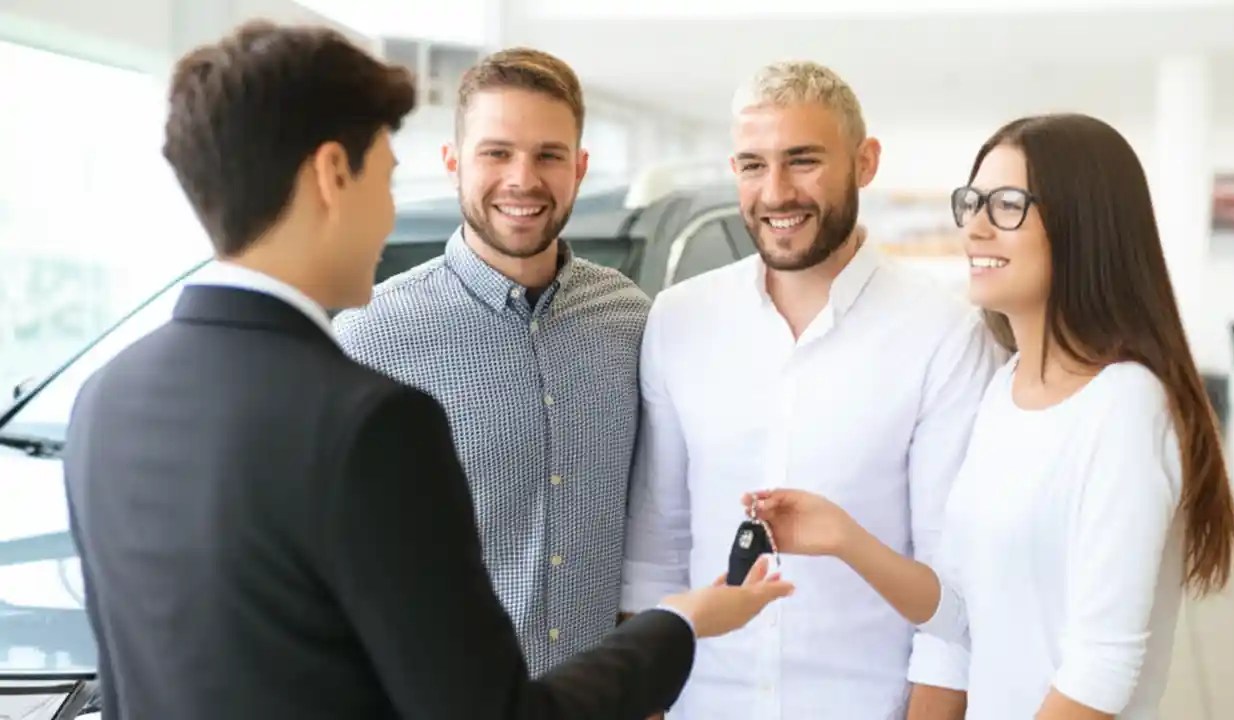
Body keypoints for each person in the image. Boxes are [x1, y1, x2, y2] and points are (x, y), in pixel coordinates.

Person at [61, 21, 792, 720]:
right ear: (331, 176)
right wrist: (680, 625)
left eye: (547, 155)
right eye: (384, 174)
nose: (388, 216)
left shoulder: (103, 400)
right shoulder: (368, 409)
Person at [745, 113, 1234, 719]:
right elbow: (960, 616)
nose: (975, 228)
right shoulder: (1003, 388)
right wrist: (844, 539)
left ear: (1085, 226)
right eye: (973, 202)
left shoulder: (1125, 405)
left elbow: (1102, 670)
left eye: (1007, 204)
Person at [619, 60, 1006, 719]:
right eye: (751, 165)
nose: (775, 192)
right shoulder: (679, 318)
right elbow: (656, 549)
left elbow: (953, 592)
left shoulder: (945, 333)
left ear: (865, 162)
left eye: (802, 161)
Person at [332, 46, 649, 676]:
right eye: (496, 152)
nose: (523, 179)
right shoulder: (369, 338)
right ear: (453, 163)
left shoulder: (634, 323)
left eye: (549, 155)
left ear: (579, 168)